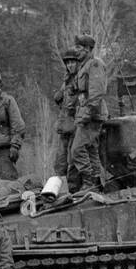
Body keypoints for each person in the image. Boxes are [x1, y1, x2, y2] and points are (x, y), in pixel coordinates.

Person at [68, 35, 108, 193]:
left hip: (92, 114)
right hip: (86, 113)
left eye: (78, 48)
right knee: (90, 149)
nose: (75, 51)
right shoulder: (84, 66)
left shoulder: (95, 64)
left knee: (77, 149)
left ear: (87, 49)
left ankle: (89, 182)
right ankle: (97, 184)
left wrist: (88, 113)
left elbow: (97, 93)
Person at [52, 46, 81, 190]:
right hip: (65, 126)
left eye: (73, 62)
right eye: (67, 62)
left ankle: (73, 189)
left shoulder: (82, 78)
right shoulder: (67, 81)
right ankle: (61, 190)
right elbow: (61, 99)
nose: (70, 65)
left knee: (73, 160)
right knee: (60, 162)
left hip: (77, 125)